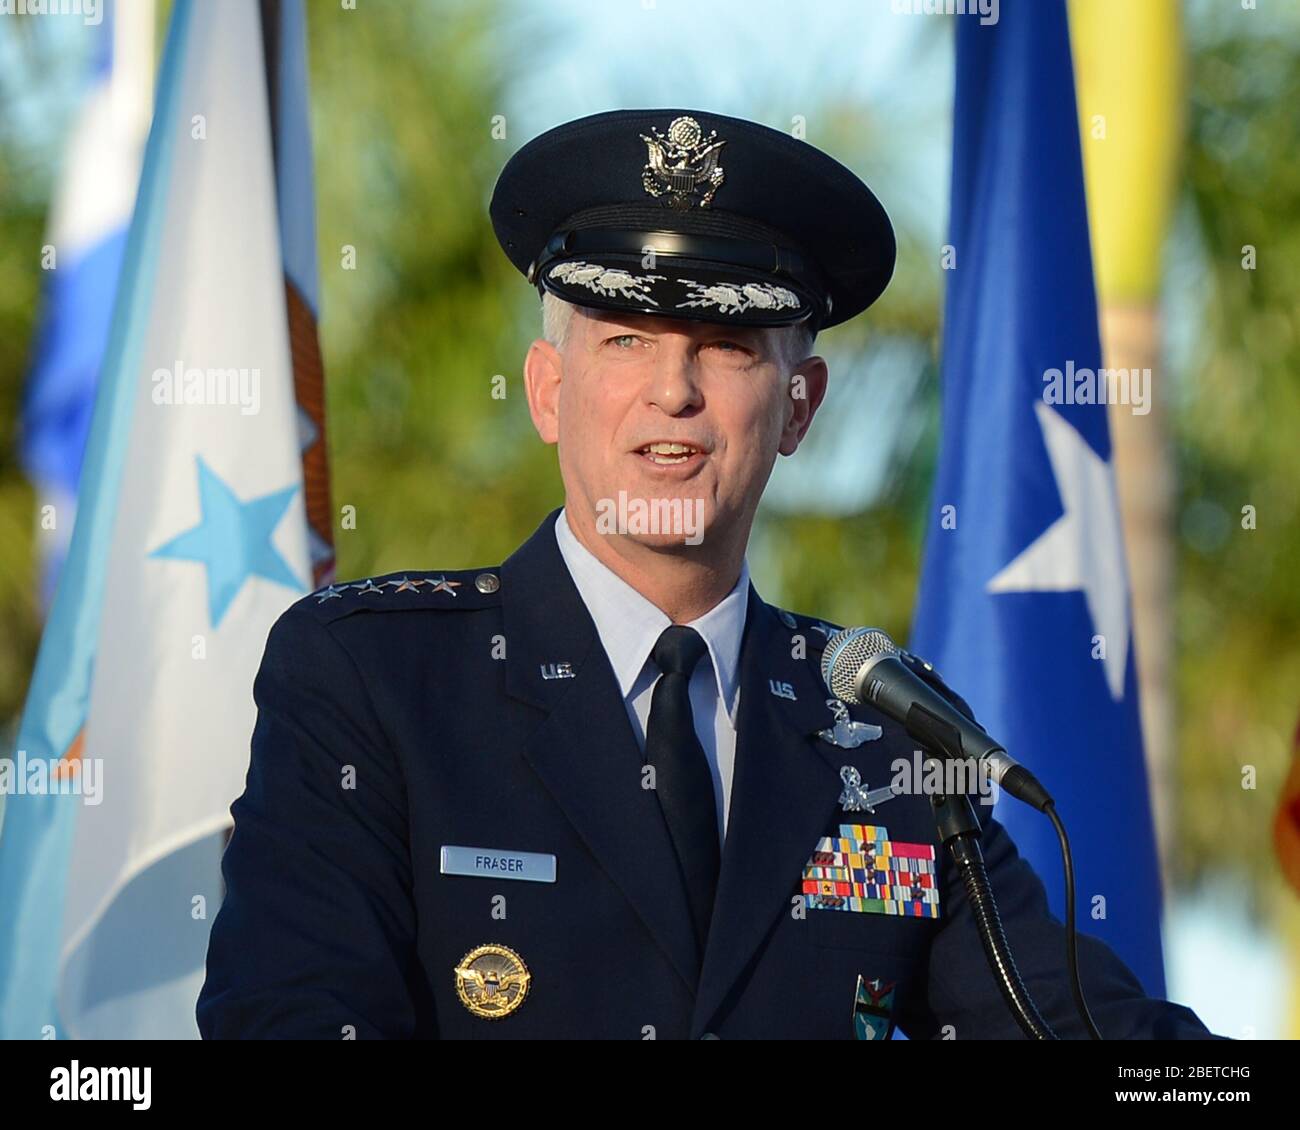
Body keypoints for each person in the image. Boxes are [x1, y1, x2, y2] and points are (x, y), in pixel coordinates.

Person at [197, 108, 1216, 1040]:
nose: (673, 390)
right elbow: (289, 1020)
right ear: (548, 391)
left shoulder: (887, 736)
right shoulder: (376, 679)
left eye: (727, 345)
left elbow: (1080, 1031)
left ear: (799, 406)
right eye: (626, 339)